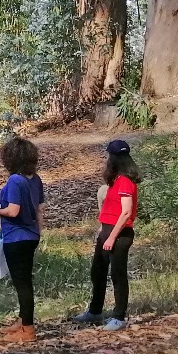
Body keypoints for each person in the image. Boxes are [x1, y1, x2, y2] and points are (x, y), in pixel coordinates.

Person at [73, 140, 141, 331]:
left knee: (117, 274)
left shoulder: (126, 182)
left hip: (119, 234)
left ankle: (119, 317)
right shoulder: (116, 180)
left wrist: (112, 237)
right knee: (98, 271)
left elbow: (126, 212)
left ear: (114, 158)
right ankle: (95, 311)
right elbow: (110, 209)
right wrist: (103, 231)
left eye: (109, 156)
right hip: (107, 230)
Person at [0, 137, 45, 343]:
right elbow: (40, 208)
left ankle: (28, 329)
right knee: (24, 281)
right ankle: (23, 320)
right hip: (31, 235)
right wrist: (38, 233)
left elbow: (13, 211)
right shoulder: (36, 179)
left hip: (16, 236)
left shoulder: (15, 180)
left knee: (22, 284)